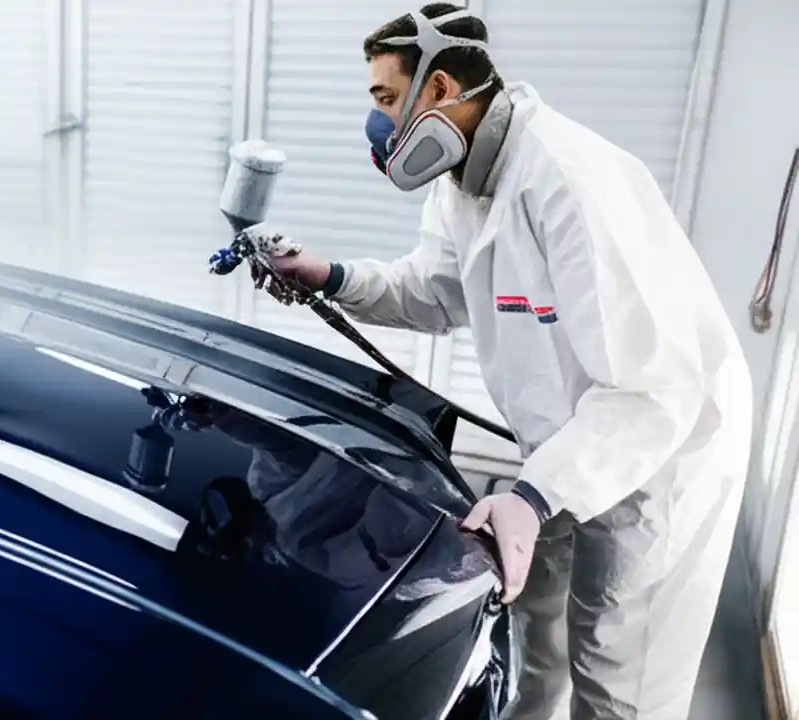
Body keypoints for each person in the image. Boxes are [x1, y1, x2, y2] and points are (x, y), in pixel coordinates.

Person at [237, 4, 753, 719]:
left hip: (659, 450)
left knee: (616, 672)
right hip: (568, 435)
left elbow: (650, 391)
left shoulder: (569, 182)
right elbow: (432, 290)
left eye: (387, 100)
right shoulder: (467, 179)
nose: (379, 127)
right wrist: (325, 274)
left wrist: (532, 497)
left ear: (441, 88)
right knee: (534, 629)